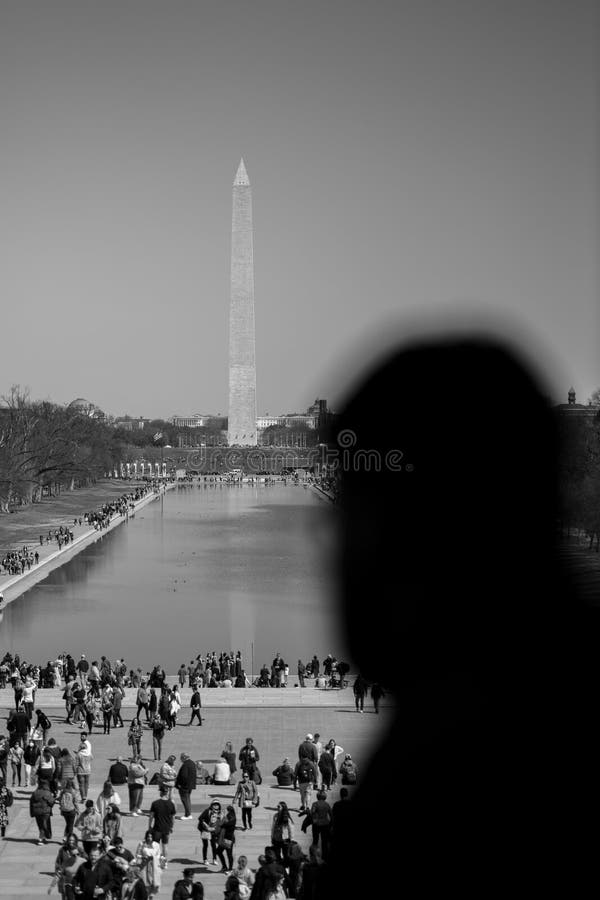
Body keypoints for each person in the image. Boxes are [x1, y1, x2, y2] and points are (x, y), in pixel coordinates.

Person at [148, 785, 176, 869]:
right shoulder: (171, 804)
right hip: (166, 828)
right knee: (165, 846)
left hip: (157, 828)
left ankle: (156, 861)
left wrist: (149, 826)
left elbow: (151, 816)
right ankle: (165, 862)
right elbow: (173, 817)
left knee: (155, 845)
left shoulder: (155, 803)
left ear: (161, 792)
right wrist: (171, 827)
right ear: (167, 793)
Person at [54, 832, 84, 900]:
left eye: (73, 840)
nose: (71, 842)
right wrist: (58, 872)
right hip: (65, 877)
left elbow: (86, 860)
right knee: (65, 896)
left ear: (76, 841)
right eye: (70, 840)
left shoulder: (79, 849)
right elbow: (58, 862)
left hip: (77, 878)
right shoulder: (62, 850)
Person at [135, 830, 162, 897]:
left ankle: (151, 895)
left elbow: (159, 855)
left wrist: (154, 857)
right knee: (144, 881)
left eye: (151, 837)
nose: (149, 838)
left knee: (154, 881)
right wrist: (143, 857)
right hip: (144, 865)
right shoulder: (141, 844)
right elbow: (137, 854)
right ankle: (145, 894)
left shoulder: (156, 845)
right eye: (148, 836)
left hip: (154, 865)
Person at [30, 778, 54, 843]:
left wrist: (32, 813)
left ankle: (41, 838)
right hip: (45, 811)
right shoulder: (47, 792)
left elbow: (31, 803)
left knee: (40, 825)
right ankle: (43, 836)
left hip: (37, 811)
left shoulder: (35, 792)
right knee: (45, 824)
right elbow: (51, 802)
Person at [197, 800, 221, 866]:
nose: (216, 806)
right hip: (205, 830)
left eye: (217, 804)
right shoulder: (207, 811)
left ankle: (214, 859)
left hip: (213, 831)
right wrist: (206, 826)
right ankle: (205, 859)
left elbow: (220, 822)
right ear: (211, 805)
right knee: (205, 845)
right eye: (214, 804)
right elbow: (200, 818)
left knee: (213, 845)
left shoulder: (219, 813)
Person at [309, 791, 332, 861]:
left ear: (317, 796)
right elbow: (331, 815)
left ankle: (314, 856)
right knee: (324, 842)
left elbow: (312, 812)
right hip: (325, 825)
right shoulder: (327, 804)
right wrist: (331, 824)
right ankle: (325, 857)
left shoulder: (315, 804)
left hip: (316, 824)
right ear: (325, 797)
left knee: (315, 841)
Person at [175, 752, 196, 820]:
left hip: (184, 786)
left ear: (184, 757)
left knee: (185, 800)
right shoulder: (192, 763)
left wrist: (180, 784)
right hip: (190, 785)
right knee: (188, 799)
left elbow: (184, 776)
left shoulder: (185, 764)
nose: (181, 760)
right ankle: (188, 813)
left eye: (181, 758)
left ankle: (188, 815)